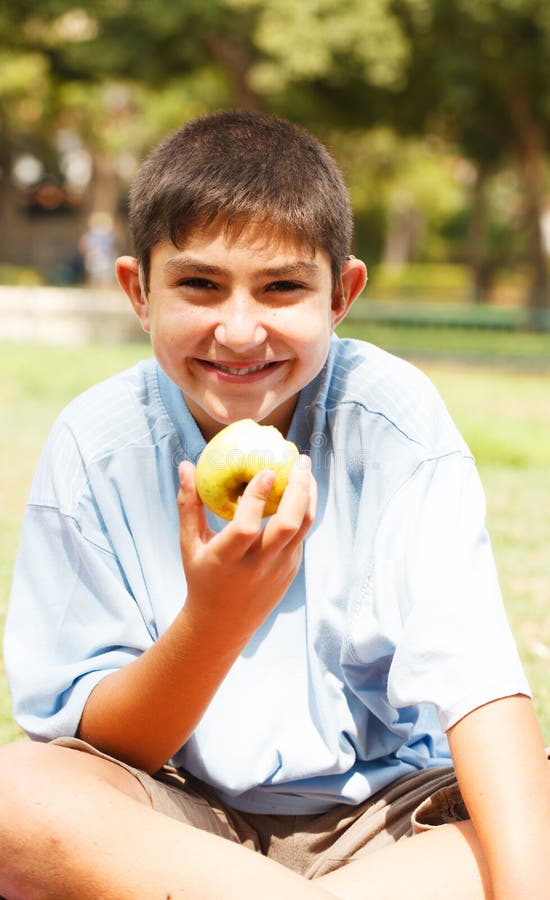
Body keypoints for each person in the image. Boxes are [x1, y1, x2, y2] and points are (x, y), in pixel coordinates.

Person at [1, 110, 548, 900]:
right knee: (21, 795)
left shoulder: (391, 421)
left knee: (530, 814)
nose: (240, 329)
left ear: (341, 296)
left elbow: (479, 683)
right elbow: (108, 746)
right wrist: (215, 621)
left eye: (283, 286)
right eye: (199, 283)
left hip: (388, 820)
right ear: (138, 291)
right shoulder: (96, 446)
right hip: (185, 823)